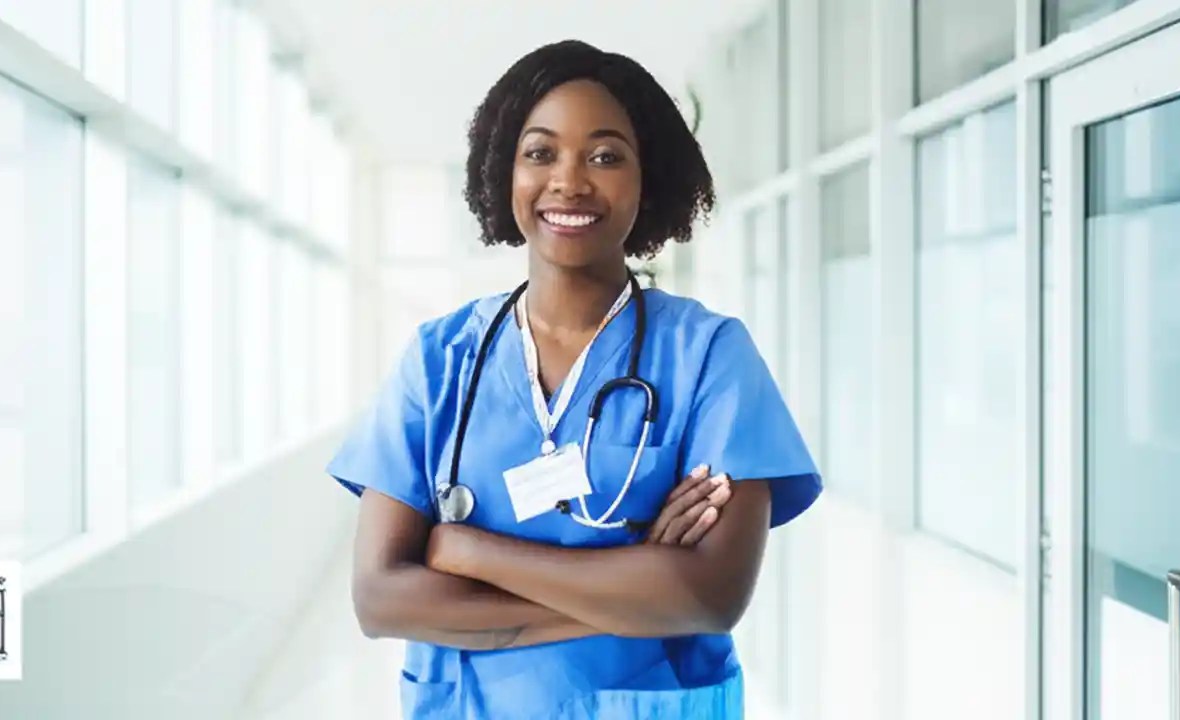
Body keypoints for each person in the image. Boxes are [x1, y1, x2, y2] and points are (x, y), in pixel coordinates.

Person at [327, 39, 822, 719]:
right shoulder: (440, 359)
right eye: (540, 153)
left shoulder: (709, 355)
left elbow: (711, 596)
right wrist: (637, 595)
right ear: (506, 171)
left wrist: (463, 548)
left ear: (649, 176)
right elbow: (379, 600)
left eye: (605, 155)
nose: (570, 180)